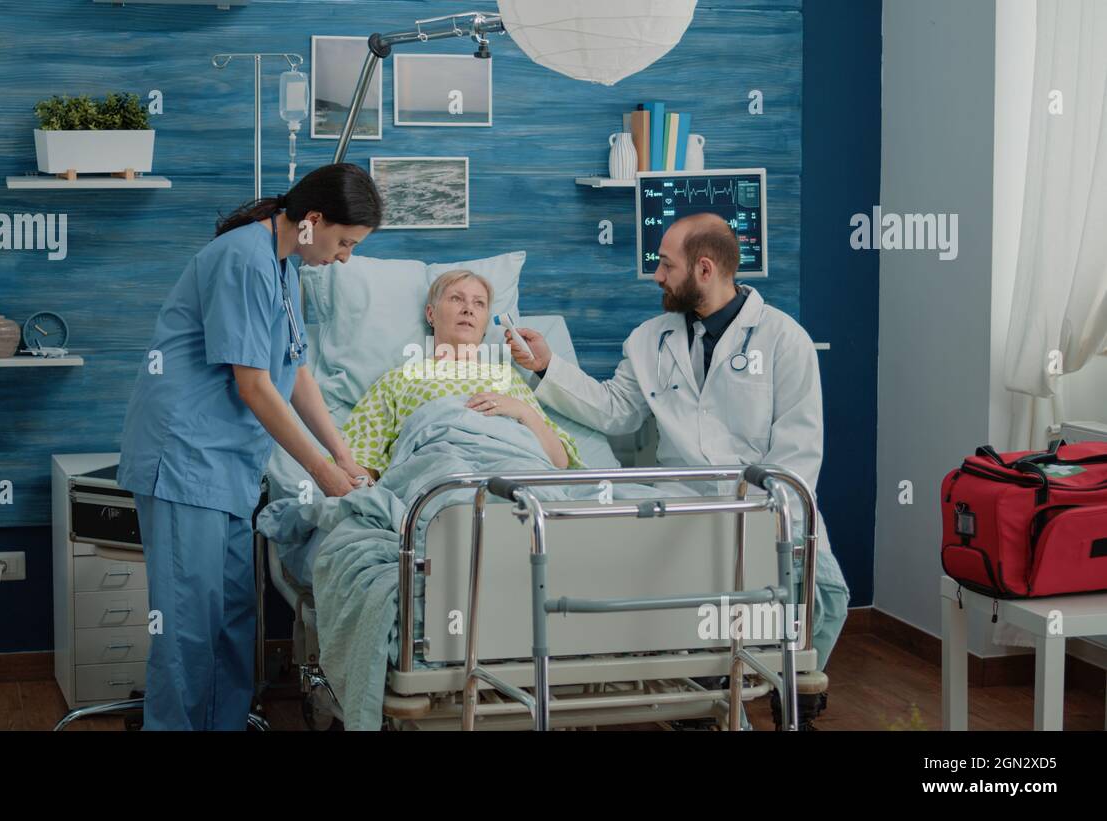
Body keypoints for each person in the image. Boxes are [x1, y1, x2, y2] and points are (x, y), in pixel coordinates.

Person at [505, 213, 850, 675]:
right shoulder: (650, 339)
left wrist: (757, 522)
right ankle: (705, 693)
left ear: (704, 270)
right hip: (679, 501)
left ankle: (795, 690)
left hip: (763, 506)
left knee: (823, 595)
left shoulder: (786, 341)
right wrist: (547, 366)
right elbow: (616, 410)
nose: (657, 276)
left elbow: (797, 456)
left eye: (666, 265)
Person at [117, 163, 382, 730]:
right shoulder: (244, 259)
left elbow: (297, 370)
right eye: (343, 243)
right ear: (312, 221)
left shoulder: (284, 265)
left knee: (233, 619)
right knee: (188, 625)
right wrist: (321, 472)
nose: (344, 258)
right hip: (185, 461)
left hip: (227, 469)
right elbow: (255, 385)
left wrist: (342, 457)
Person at [341, 269, 583, 479]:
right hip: (439, 471)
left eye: (479, 303)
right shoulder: (398, 380)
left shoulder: (507, 377)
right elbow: (358, 461)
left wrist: (522, 411)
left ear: (486, 322)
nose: (468, 309)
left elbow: (559, 462)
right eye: (457, 299)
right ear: (431, 314)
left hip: (515, 471)